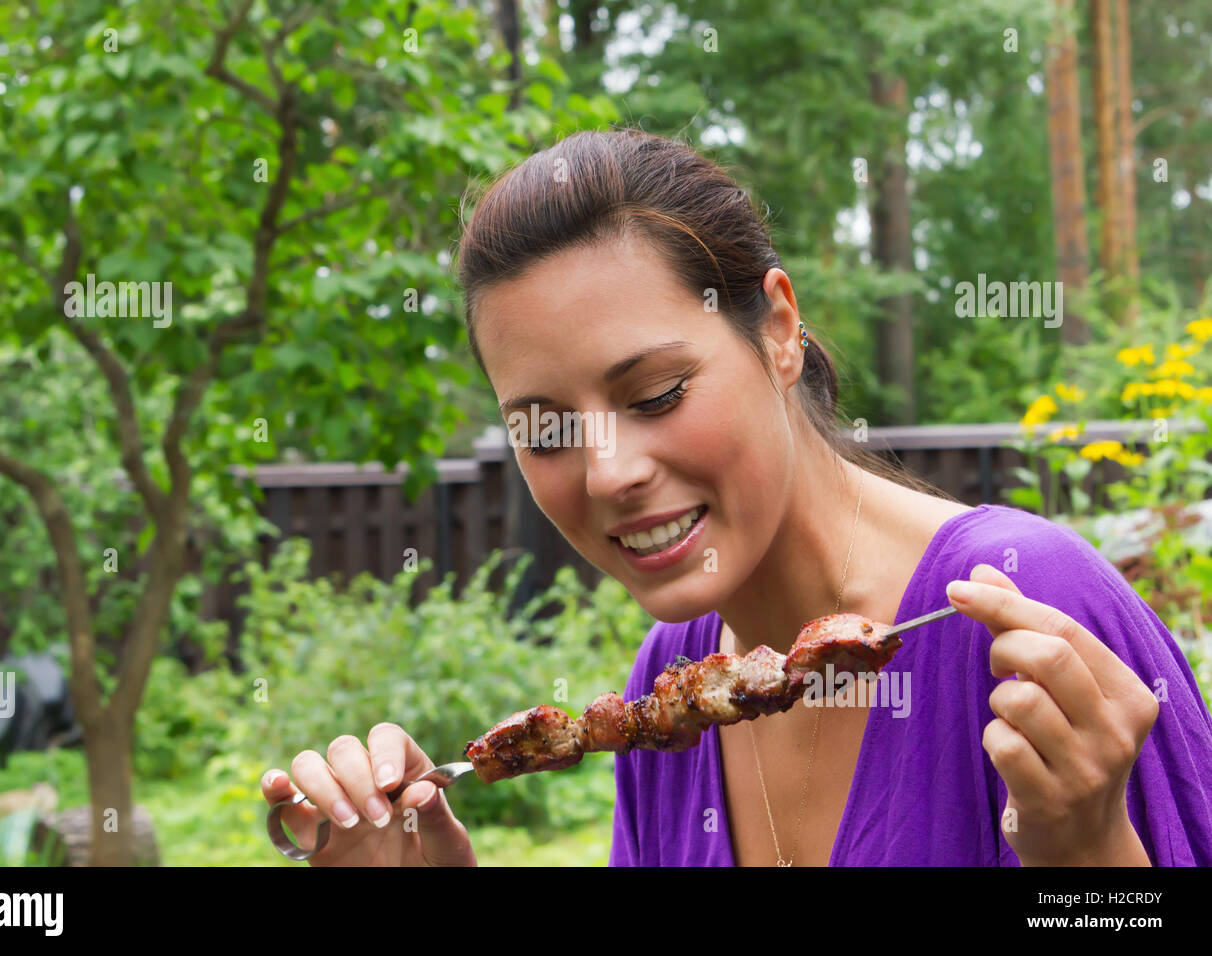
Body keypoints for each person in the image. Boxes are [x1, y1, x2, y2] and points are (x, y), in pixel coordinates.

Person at [260, 127, 1212, 866]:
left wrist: (1091, 863)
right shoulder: (666, 680)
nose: (607, 473)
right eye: (544, 426)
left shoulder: (1019, 609)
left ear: (780, 332)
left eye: (655, 396)